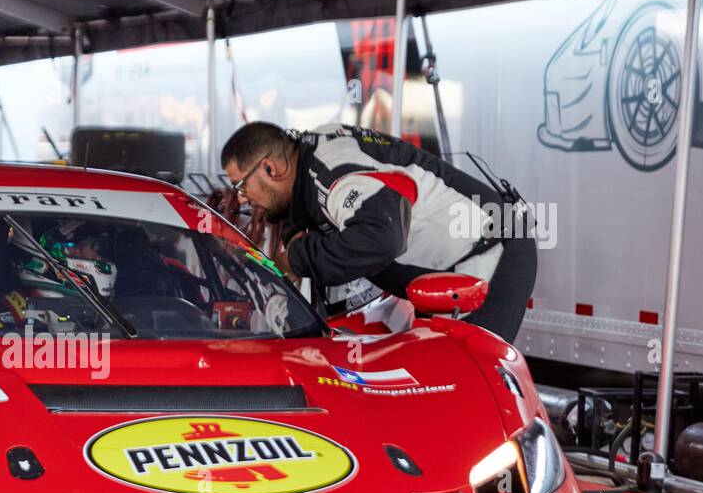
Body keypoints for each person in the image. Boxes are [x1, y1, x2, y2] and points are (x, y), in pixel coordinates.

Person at [220, 121, 537, 341]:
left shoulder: (336, 179)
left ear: (269, 168)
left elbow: (382, 236)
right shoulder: (310, 151)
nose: (242, 198)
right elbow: (300, 203)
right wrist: (293, 239)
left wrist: (297, 259)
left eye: (240, 185)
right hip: (461, 257)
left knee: (462, 383)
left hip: (491, 252)